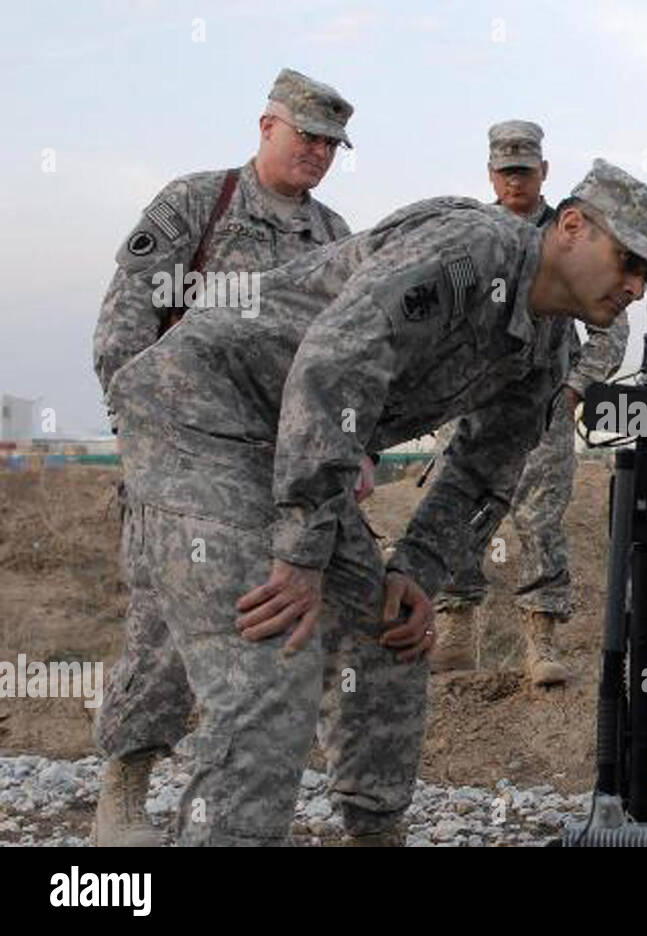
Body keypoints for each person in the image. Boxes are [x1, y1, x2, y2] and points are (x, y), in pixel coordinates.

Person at [99, 159, 647, 845]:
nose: (636, 289)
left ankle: (376, 832)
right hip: (201, 412)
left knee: (391, 632)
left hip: (297, 447)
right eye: (628, 261)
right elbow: (335, 362)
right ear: (573, 227)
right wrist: (302, 550)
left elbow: (480, 472)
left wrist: (415, 574)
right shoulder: (472, 247)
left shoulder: (546, 354)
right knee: (273, 662)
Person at [91, 67, 354, 846]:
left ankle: (241, 802)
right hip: (183, 459)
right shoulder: (197, 207)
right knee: (162, 628)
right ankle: (124, 795)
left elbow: (348, 357)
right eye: (306, 135)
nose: (318, 153)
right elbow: (124, 326)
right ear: (267, 125)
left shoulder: (333, 237)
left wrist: (350, 448)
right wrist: (142, 440)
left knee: (281, 622)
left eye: (332, 144)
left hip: (284, 467)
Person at [427, 120, 629, 686]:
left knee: (540, 521)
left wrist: (575, 387)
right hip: (470, 406)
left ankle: (541, 641)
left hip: (543, 409)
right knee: (459, 515)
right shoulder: (469, 233)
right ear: (491, 174)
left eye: (526, 171)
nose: (516, 180)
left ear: (544, 172)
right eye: (506, 171)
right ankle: (457, 633)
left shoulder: (574, 236)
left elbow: (610, 326)